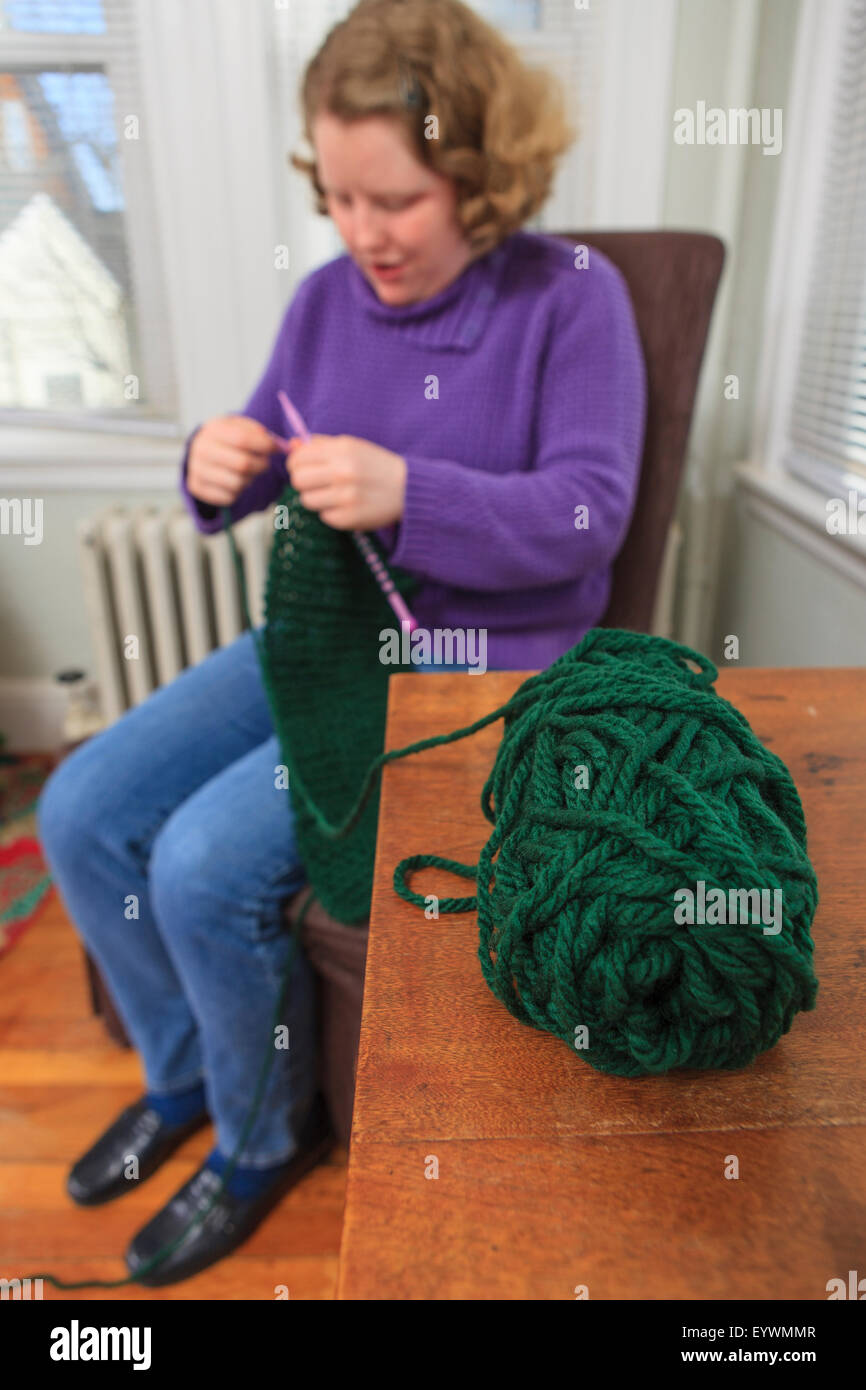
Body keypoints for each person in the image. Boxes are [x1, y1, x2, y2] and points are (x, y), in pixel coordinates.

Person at [36, 0, 646, 1288]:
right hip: (324, 639)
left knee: (203, 862)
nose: (363, 233)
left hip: (464, 671)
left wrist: (413, 491)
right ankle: (191, 1075)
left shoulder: (571, 301)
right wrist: (215, 468)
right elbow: (268, 452)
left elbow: (590, 521)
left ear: (481, 176)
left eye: (400, 201)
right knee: (82, 805)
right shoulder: (326, 302)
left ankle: (261, 1143)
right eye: (340, 196)